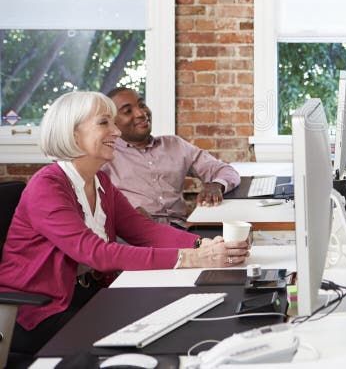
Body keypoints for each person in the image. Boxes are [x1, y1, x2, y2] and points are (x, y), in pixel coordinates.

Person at [0, 91, 250, 354]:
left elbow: (143, 230)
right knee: (147, 341)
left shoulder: (100, 181)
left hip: (86, 295)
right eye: (103, 123)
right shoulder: (47, 186)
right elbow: (97, 253)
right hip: (37, 310)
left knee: (174, 319)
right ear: (73, 134)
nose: (116, 132)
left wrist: (203, 244)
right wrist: (192, 258)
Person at [102, 87, 240, 226]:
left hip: (180, 230)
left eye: (142, 105)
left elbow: (227, 171)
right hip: (136, 235)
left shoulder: (174, 145)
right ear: (113, 122)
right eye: (127, 111)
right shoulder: (105, 157)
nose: (140, 113)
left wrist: (216, 185)